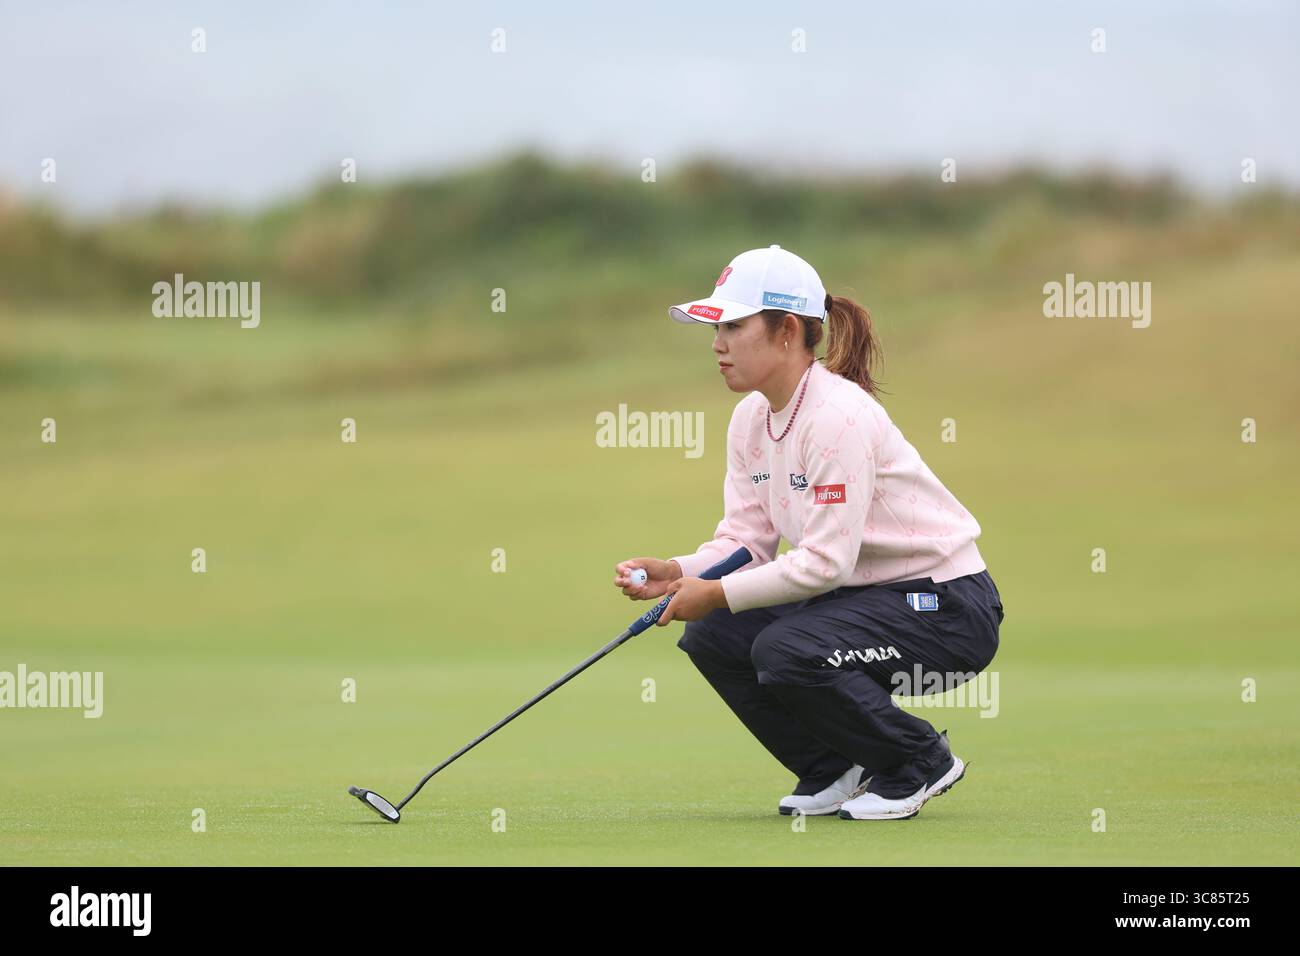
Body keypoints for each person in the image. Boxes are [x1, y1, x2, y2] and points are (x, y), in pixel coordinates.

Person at [613, 245, 1004, 821]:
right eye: (716, 328)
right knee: (714, 634)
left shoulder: (836, 417)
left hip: (945, 610)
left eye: (734, 326)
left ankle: (917, 760)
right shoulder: (751, 417)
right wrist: (682, 573)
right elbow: (747, 543)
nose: (717, 344)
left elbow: (825, 564)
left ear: (787, 330)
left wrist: (716, 593)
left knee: (783, 647)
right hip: (865, 602)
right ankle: (833, 765)